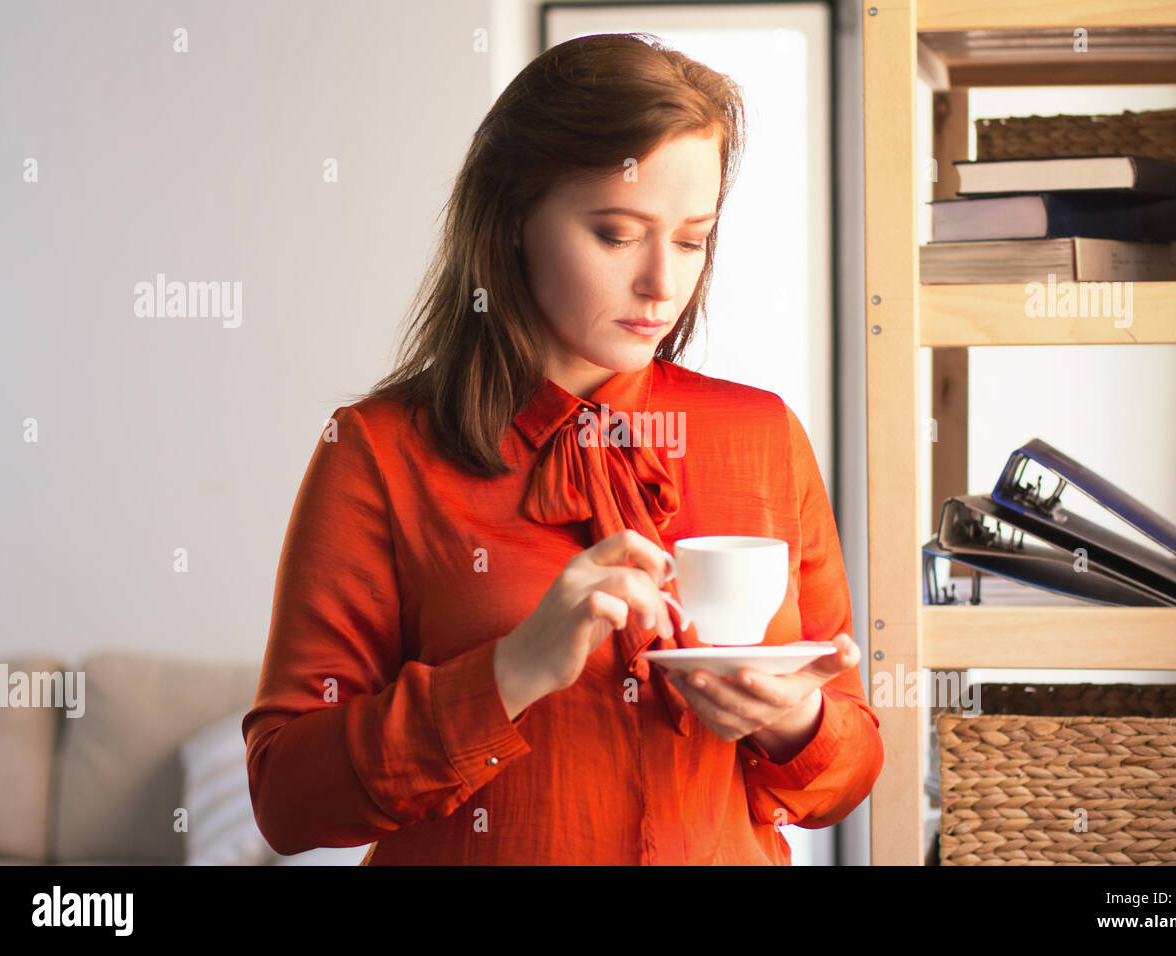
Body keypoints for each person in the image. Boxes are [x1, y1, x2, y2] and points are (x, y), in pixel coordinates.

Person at [242, 32, 883, 866]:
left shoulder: (761, 436)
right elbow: (287, 802)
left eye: (692, 240)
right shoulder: (378, 452)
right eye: (617, 234)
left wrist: (791, 719)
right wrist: (508, 673)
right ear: (512, 219)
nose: (663, 282)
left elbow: (849, 772)